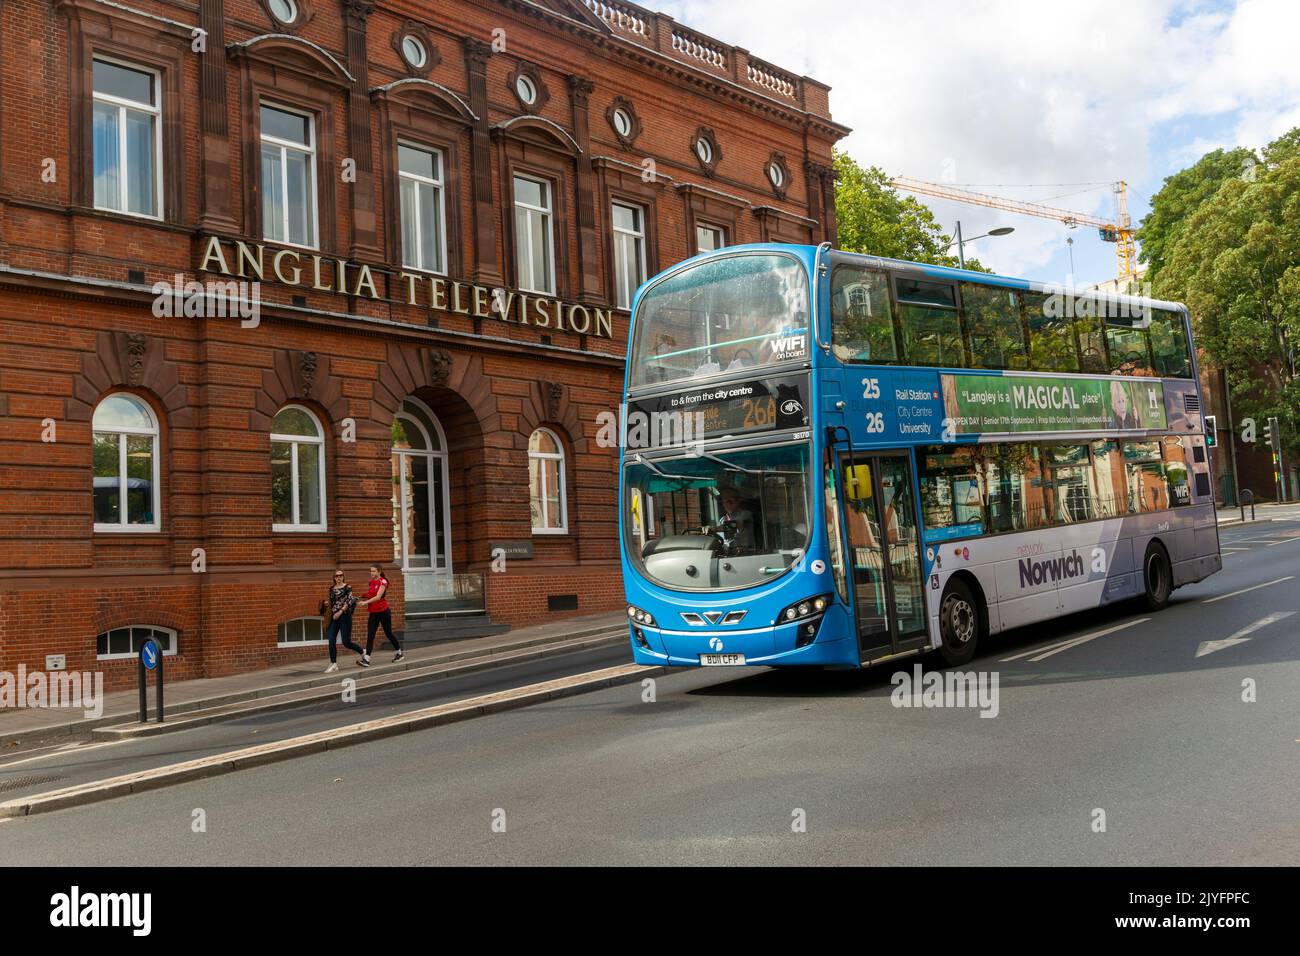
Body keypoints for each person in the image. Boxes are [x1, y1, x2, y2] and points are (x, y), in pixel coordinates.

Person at [356, 563, 402, 666]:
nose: (371, 573)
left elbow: (378, 597)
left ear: (379, 571)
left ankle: (399, 652)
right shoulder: (371, 582)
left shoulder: (383, 581)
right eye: (370, 571)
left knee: (388, 633)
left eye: (373, 571)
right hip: (373, 612)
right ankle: (367, 659)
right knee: (370, 635)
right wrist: (360, 596)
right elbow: (370, 594)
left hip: (383, 611)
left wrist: (365, 602)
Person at [321, 569, 363, 673]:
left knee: (346, 642)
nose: (338, 578)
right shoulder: (331, 589)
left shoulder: (347, 587)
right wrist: (327, 603)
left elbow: (349, 601)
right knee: (331, 640)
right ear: (334, 578)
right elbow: (332, 602)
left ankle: (362, 651)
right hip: (334, 617)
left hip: (344, 616)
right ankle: (334, 663)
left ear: (343, 576)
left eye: (340, 575)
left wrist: (340, 612)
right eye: (336, 576)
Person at [715, 486, 756, 551]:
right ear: (722, 503)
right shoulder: (722, 520)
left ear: (738, 501)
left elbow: (734, 525)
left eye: (731, 499)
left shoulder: (746, 514)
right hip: (727, 554)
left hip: (745, 553)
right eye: (725, 500)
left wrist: (714, 529)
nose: (728, 503)